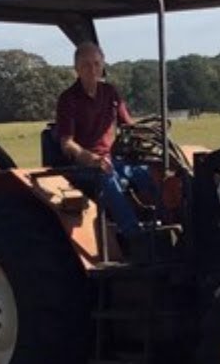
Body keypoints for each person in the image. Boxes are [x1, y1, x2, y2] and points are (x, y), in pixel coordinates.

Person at [55, 42, 159, 237]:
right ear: (76, 68)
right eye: (86, 65)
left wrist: (152, 135)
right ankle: (134, 235)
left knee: (151, 173)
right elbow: (67, 143)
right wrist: (91, 158)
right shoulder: (68, 99)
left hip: (113, 159)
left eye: (96, 63)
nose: (92, 69)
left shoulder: (110, 92)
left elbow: (129, 126)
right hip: (83, 166)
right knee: (107, 177)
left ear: (103, 65)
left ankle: (161, 223)